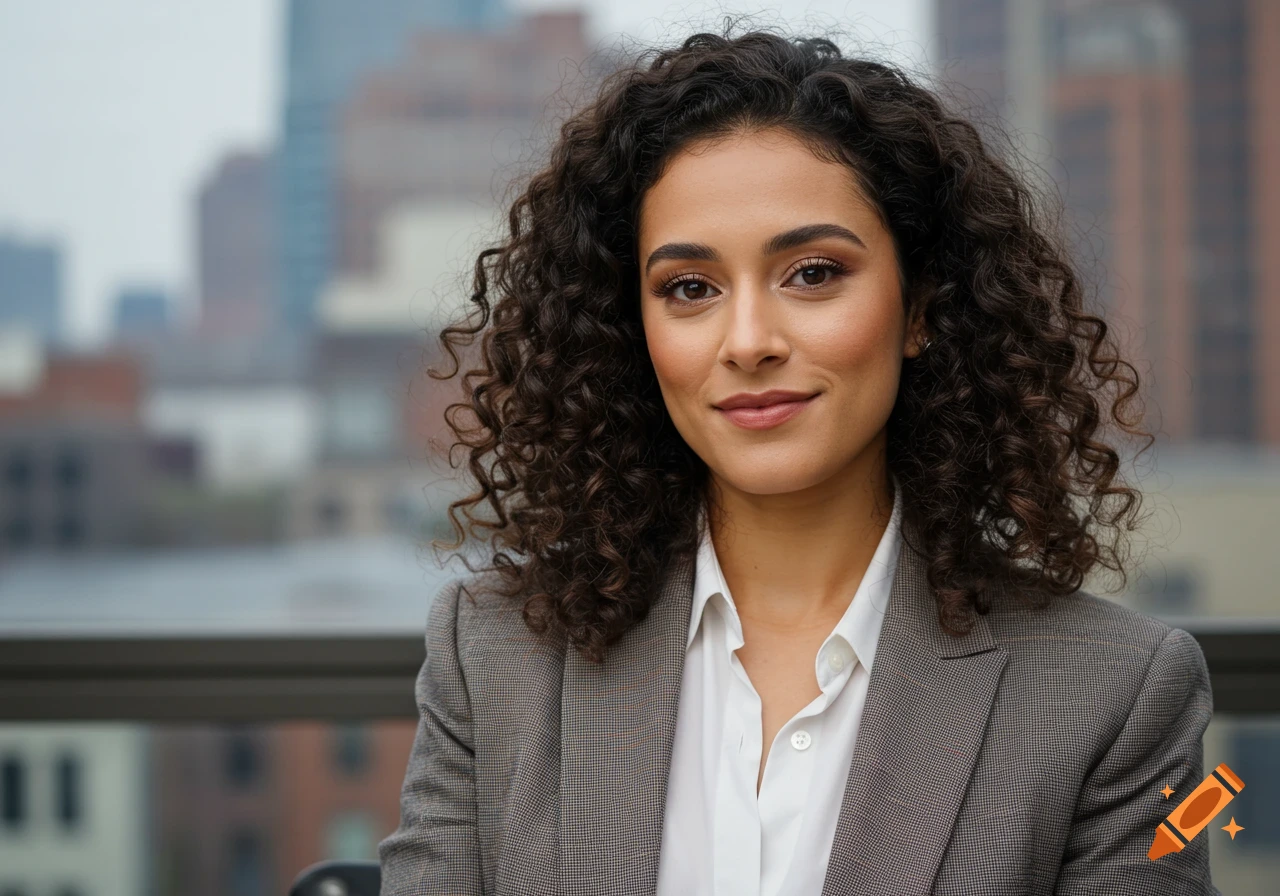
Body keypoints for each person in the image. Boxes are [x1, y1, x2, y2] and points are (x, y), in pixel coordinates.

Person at [378, 27, 1218, 896]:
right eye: (690, 289)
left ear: (920, 305)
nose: (748, 343)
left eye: (813, 273)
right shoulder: (496, 655)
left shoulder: (1114, 695)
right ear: (634, 327)